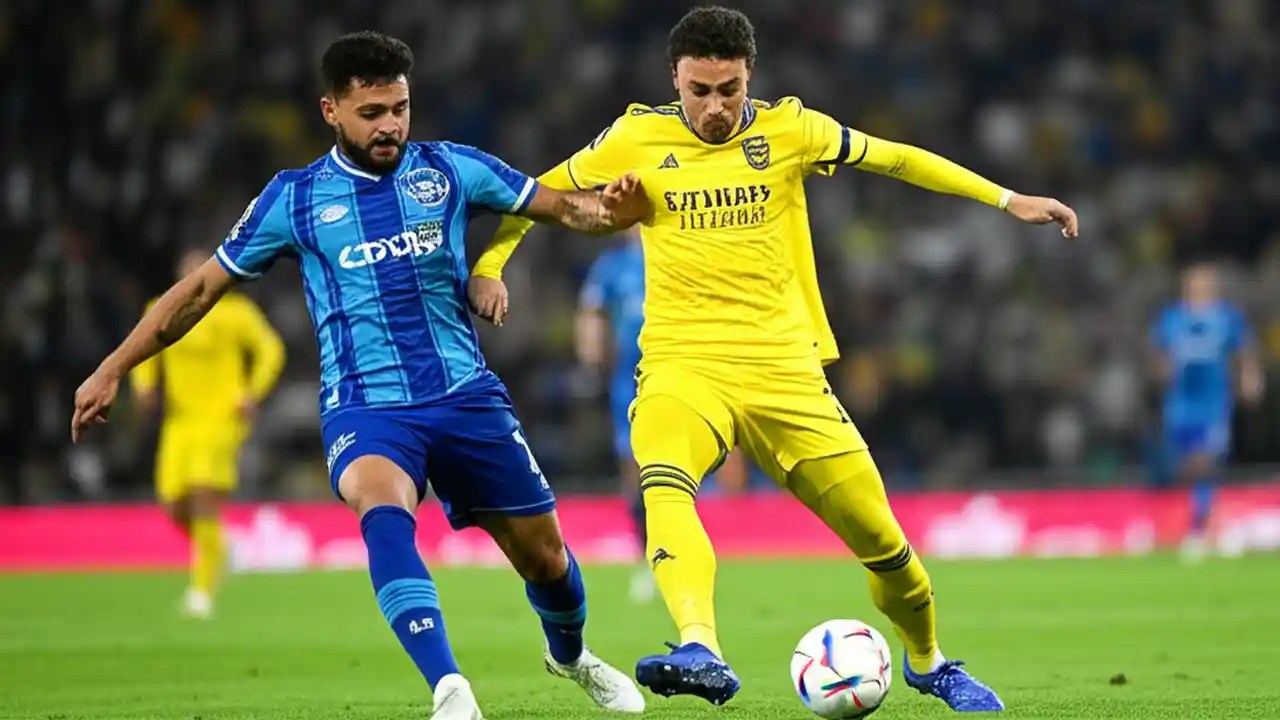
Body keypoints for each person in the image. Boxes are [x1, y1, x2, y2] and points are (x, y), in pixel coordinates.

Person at [469, 6, 1079, 713]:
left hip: (785, 371)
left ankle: (927, 661)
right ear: (676, 79)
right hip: (682, 362)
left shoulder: (792, 129)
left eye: (728, 89)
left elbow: (899, 158)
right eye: (700, 90)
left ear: (748, 76)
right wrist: (491, 264)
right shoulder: (637, 136)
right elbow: (528, 195)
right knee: (662, 480)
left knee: (887, 550)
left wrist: (1008, 199)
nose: (715, 106)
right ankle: (700, 645)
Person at [71, 31, 649, 720]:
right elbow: (199, 291)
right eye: (372, 112)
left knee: (546, 557)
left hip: (464, 394)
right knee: (383, 509)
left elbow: (564, 207)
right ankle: (450, 687)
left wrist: (622, 206)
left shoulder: (453, 170)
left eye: (399, 108)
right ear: (331, 112)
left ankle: (572, 656)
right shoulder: (295, 198)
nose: (391, 125)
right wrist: (113, 366)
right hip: (366, 406)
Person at [575, 230, 749, 604]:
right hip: (631, 382)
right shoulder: (612, 267)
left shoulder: (678, 254)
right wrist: (591, 356)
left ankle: (701, 555)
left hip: (683, 375)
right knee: (635, 472)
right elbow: (592, 314)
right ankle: (647, 559)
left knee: (695, 467)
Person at [130, 247, 286, 619]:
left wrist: (251, 392)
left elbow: (271, 351)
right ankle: (221, 548)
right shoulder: (161, 307)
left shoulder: (236, 314)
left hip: (221, 419)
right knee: (173, 506)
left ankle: (202, 592)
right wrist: (144, 386)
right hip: (179, 422)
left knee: (203, 496)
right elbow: (145, 351)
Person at [1150, 260, 1264, 562]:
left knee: (1207, 461)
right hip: (1181, 401)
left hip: (1213, 402)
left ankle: (1203, 526)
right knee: (1187, 464)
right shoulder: (1172, 318)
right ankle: (1202, 519)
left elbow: (1244, 349)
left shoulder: (1227, 317)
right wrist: (1161, 370)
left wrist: (1250, 377)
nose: (1199, 287)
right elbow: (1160, 353)